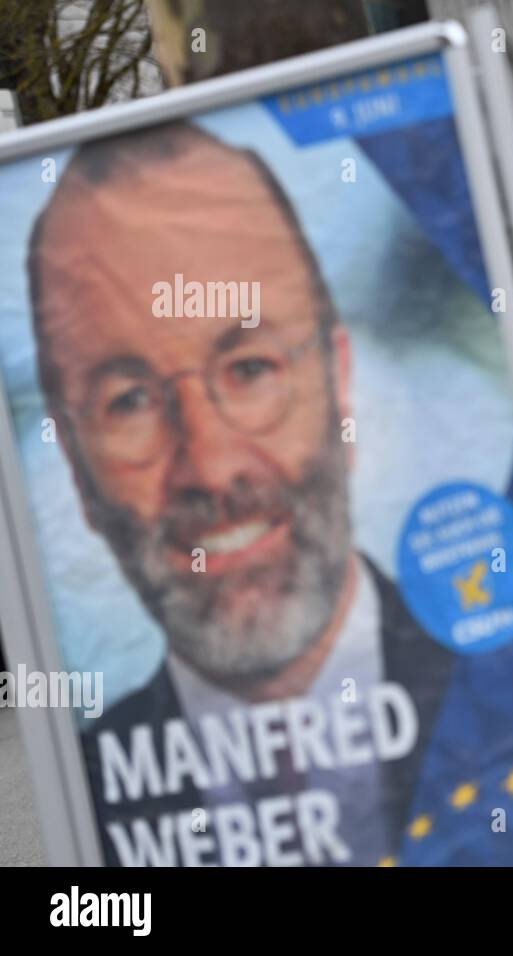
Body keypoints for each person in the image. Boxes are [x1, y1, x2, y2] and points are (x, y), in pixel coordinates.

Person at [25, 120, 454, 865]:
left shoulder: (512, 695)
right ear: (76, 472)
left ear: (339, 384)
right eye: (128, 400)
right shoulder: (89, 800)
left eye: (250, 368)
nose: (213, 467)